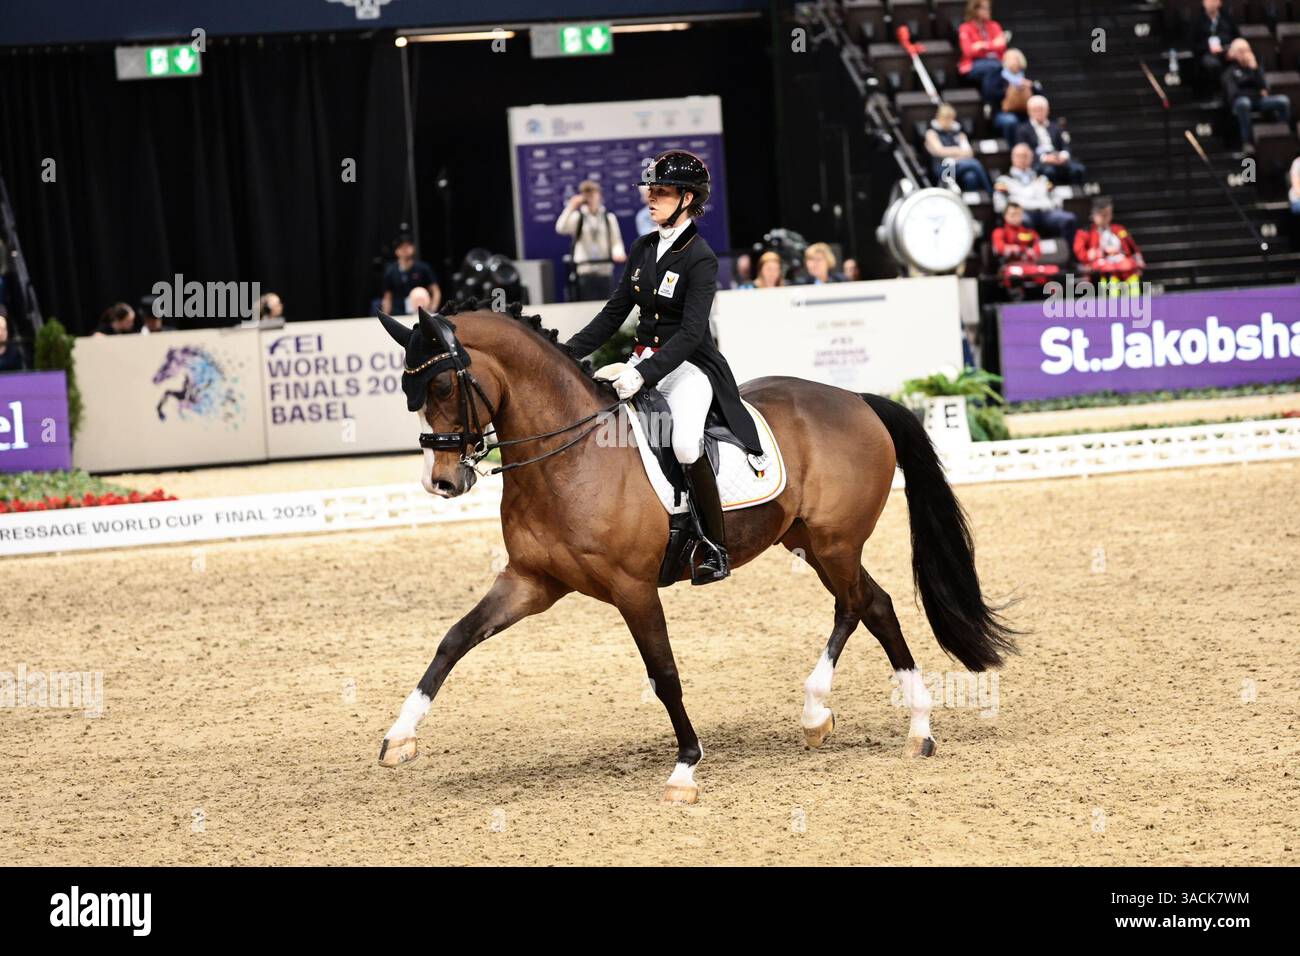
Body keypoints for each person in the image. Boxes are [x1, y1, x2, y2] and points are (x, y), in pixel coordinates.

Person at [563, 150, 764, 584]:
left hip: (689, 367)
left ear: (688, 199)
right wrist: (563, 353)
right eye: (649, 191)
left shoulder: (701, 257)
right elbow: (614, 313)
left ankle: (713, 546)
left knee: (687, 445)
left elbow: (693, 333)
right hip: (643, 361)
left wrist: (645, 372)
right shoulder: (643, 247)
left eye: (662, 192)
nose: (650, 199)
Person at [994, 143, 1078, 249]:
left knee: (1068, 219)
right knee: (1023, 221)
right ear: (1012, 158)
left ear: (1031, 158)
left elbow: (1056, 196)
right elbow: (999, 203)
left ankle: (1069, 256)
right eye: (1019, 156)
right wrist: (1010, 214)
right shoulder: (1004, 180)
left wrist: (1054, 206)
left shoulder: (1042, 178)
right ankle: (1029, 258)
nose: (1022, 159)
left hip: (1046, 213)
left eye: (1025, 156)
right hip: (1023, 213)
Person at [555, 179, 627, 301]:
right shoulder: (578, 217)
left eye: (593, 193)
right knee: (585, 309)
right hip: (584, 271)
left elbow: (616, 242)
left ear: (599, 194)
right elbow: (560, 228)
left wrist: (618, 253)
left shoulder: (608, 218)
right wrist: (571, 207)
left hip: (605, 270)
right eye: (587, 194)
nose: (590, 197)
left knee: (605, 308)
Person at [1223, 39, 1293, 154]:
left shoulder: (1254, 68)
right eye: (1241, 50)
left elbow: (1263, 88)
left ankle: (1282, 134)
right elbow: (1233, 94)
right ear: (1233, 53)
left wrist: (1255, 69)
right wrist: (1255, 93)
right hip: (1240, 104)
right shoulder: (1229, 71)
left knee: (1283, 100)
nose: (1245, 53)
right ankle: (1247, 142)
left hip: (1258, 101)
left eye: (1247, 50)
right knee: (1244, 102)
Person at [1073, 198, 1145, 296]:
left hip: (1124, 267)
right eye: (1102, 215)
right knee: (1110, 277)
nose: (1105, 218)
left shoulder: (1119, 229)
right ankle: (1111, 305)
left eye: (1108, 214)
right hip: (1103, 270)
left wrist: (1138, 261)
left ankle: (1136, 304)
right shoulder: (1085, 232)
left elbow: (1132, 248)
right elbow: (1081, 254)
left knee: (1131, 274)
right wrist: (1095, 254)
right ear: (1094, 215)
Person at [924, 103, 994, 193]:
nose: (948, 121)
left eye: (950, 118)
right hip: (943, 168)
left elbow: (969, 153)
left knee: (971, 177)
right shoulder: (931, 133)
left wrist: (955, 156)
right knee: (975, 164)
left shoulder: (959, 133)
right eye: (945, 118)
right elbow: (940, 151)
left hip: (959, 165)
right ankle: (991, 192)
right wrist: (958, 151)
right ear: (939, 117)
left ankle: (973, 203)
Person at [1016, 96, 1085, 186]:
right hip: (1040, 161)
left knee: (1077, 169)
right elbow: (1024, 151)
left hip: (1058, 157)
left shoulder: (1055, 127)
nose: (1039, 113)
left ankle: (1076, 197)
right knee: (1049, 171)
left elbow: (1065, 145)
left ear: (1047, 110)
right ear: (1029, 112)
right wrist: (1044, 158)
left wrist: (1064, 155)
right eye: (1036, 110)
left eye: (1041, 109)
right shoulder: (1023, 129)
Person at [991, 203, 1059, 291]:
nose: (1016, 217)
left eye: (1018, 214)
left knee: (1053, 270)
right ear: (1005, 216)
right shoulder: (999, 232)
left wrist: (1023, 251)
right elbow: (1001, 249)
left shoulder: (1029, 233)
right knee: (1014, 274)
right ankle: (1016, 299)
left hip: (1030, 266)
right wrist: (1023, 250)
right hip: (1010, 266)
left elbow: (1037, 250)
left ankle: (1052, 300)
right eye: (1012, 215)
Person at [381, 232, 440, 315]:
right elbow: (387, 297)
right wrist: (386, 316)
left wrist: (432, 310)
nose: (405, 249)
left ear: (413, 248)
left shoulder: (423, 268)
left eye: (408, 246)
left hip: (420, 314)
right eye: (401, 247)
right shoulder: (391, 271)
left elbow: (435, 290)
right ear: (396, 251)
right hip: (398, 315)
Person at [986, 48, 1038, 145]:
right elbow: (990, 94)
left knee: (1036, 121)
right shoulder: (997, 75)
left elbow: (1039, 95)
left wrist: (1030, 87)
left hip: (1026, 112)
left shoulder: (1027, 75)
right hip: (1003, 111)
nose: (1014, 62)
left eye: (1016, 59)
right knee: (1010, 121)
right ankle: (1015, 149)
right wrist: (1008, 90)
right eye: (1010, 59)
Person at [958, 0, 1008, 95]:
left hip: (996, 61)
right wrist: (993, 45)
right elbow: (968, 51)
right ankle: (991, 102)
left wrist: (983, 45)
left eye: (989, 8)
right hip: (973, 64)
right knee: (995, 67)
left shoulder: (994, 25)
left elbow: (1002, 45)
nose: (988, 11)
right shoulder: (965, 28)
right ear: (975, 10)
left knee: (1007, 66)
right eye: (985, 8)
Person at [1190, 0, 1238, 96]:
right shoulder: (1198, 21)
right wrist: (1208, 47)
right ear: (1203, 3)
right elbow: (1193, 44)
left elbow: (1236, 38)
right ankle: (1220, 93)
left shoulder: (1227, 19)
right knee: (1213, 64)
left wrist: (1229, 48)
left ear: (1220, 3)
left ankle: (1235, 93)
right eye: (1208, 1)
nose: (1211, 3)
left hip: (1227, 51)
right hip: (1207, 53)